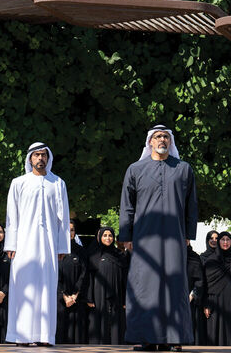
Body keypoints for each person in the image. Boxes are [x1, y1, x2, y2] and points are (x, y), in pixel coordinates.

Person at [119, 125, 198, 351]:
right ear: (150, 142)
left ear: (170, 142)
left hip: (175, 236)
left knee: (174, 284)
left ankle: (173, 338)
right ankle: (146, 337)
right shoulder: (135, 169)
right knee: (145, 285)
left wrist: (188, 234)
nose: (162, 139)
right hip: (144, 237)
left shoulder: (184, 169)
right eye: (157, 137)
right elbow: (127, 205)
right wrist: (126, 236)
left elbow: (192, 205)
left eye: (165, 136)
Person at [5, 142, 70, 346]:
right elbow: (11, 217)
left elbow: (63, 218)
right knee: (24, 286)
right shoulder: (19, 182)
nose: (40, 158)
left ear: (48, 159)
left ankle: (44, 336)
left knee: (46, 287)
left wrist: (62, 247)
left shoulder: (58, 183)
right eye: (36, 155)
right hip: (23, 244)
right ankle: (22, 336)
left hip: (49, 245)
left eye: (43, 155)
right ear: (30, 159)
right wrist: (11, 245)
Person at [202, 231, 231, 345]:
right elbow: (206, 284)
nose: (225, 242)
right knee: (216, 331)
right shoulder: (211, 261)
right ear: (219, 242)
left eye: (228, 240)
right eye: (223, 240)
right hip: (216, 302)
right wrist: (206, 304)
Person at [86, 227, 127, 344]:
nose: (108, 238)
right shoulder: (94, 254)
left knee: (116, 319)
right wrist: (89, 297)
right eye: (105, 235)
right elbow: (90, 277)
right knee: (100, 318)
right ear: (100, 237)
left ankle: (116, 345)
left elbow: (124, 278)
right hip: (99, 291)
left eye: (110, 236)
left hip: (117, 291)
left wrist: (125, 298)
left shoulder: (119, 254)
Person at [57, 220, 88, 344]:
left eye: (72, 230)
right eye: (66, 230)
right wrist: (64, 295)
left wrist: (75, 294)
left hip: (76, 299)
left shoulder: (81, 251)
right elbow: (53, 274)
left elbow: (84, 273)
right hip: (60, 298)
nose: (69, 232)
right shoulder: (55, 250)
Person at [186, 241, 206, 348]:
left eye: (187, 239)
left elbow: (199, 280)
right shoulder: (170, 255)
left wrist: (192, 294)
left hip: (190, 299)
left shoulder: (194, 257)